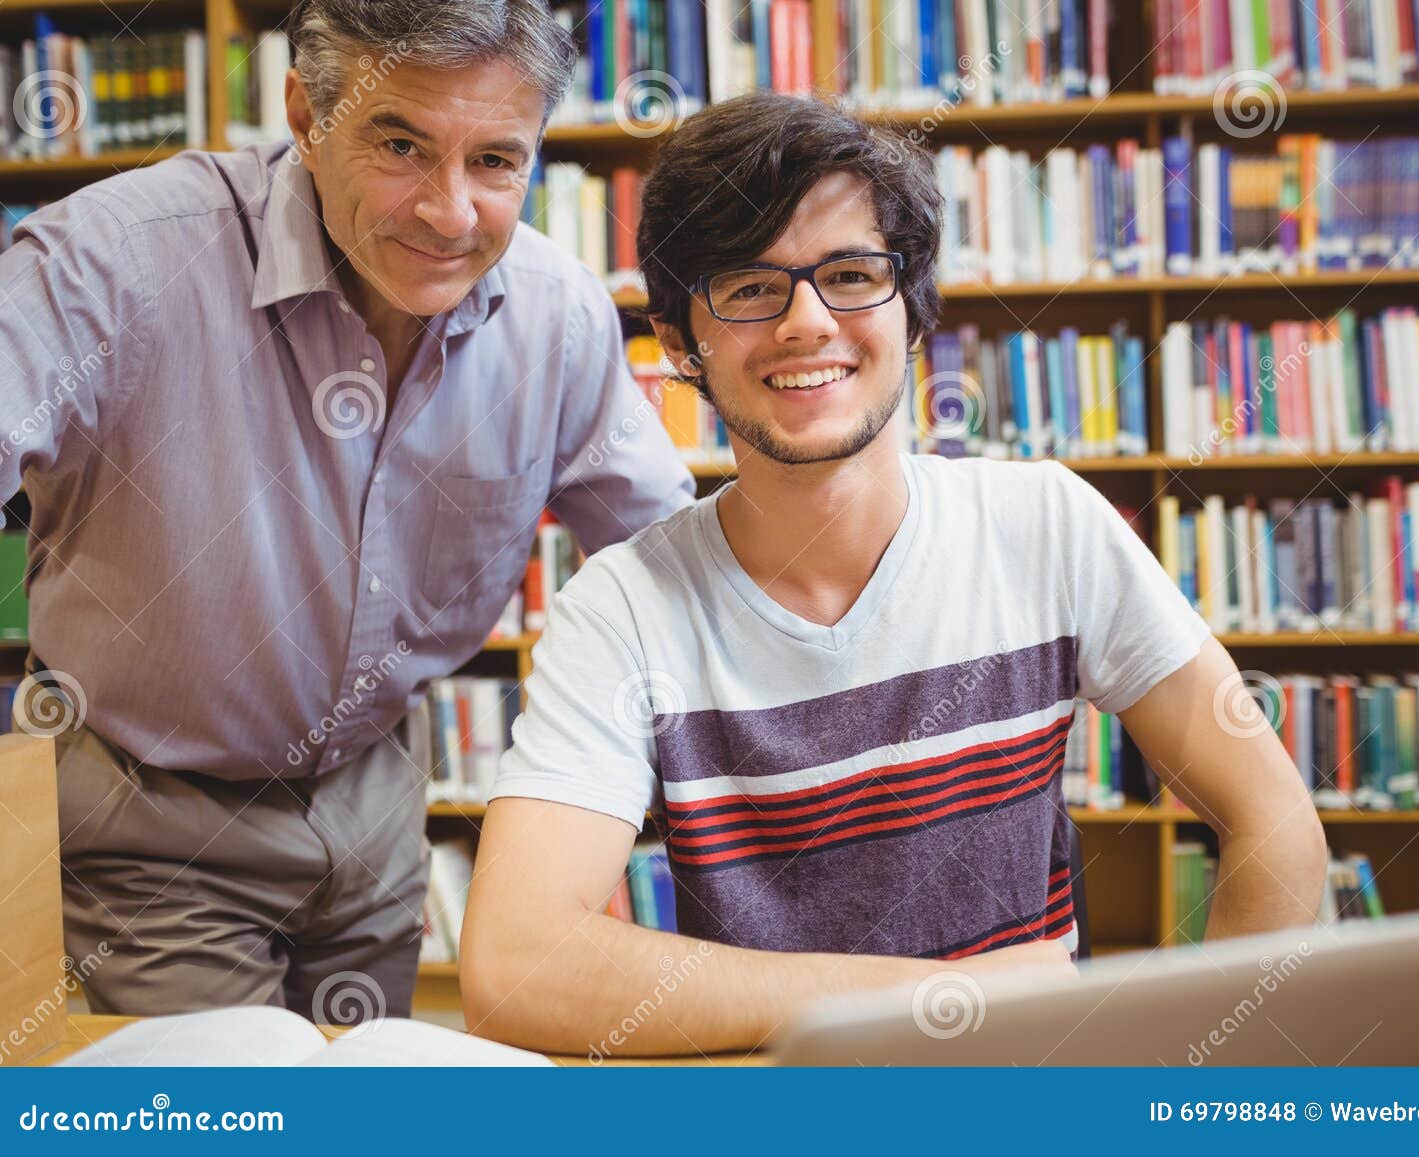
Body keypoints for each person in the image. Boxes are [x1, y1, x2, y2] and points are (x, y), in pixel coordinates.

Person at [461, 92, 1327, 1056]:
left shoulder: (1045, 525)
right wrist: (937, 997)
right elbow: (515, 969)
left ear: (911, 313)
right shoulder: (622, 610)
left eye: (850, 274)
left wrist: (1212, 1091)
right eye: (749, 287)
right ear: (676, 344)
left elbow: (1273, 819)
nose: (807, 321)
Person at [0, 0, 692, 1020]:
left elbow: (666, 565)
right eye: (401, 144)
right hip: (153, 820)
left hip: (376, 803)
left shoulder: (559, 312)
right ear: (305, 116)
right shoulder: (109, 262)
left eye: (496, 161)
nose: (449, 212)